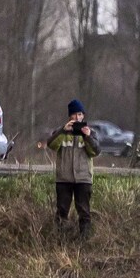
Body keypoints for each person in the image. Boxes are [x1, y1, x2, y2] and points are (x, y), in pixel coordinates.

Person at [45, 100, 100, 235]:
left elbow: (96, 151)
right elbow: (51, 145)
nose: (77, 118)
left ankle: (85, 239)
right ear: (70, 116)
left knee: (84, 211)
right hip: (64, 178)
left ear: (83, 116)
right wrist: (63, 131)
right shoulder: (61, 131)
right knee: (61, 211)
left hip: (83, 178)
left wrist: (87, 137)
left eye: (80, 114)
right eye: (74, 115)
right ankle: (60, 239)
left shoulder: (90, 133)